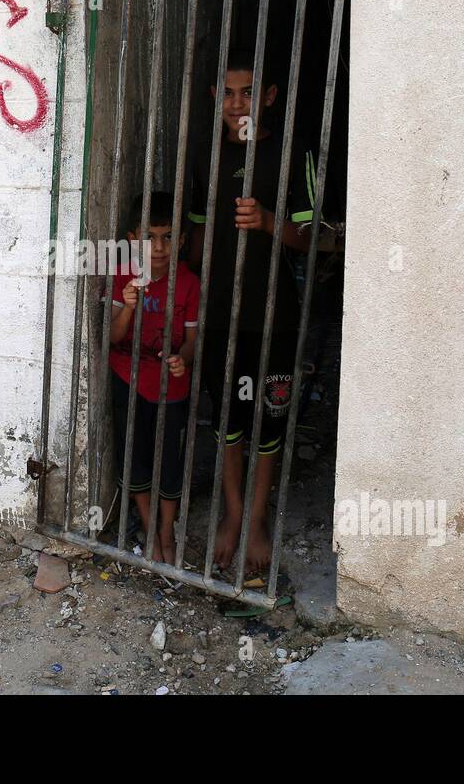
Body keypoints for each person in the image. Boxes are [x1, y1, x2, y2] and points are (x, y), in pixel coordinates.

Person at [189, 49, 315, 575]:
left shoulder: (292, 154)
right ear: (216, 98)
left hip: (274, 314)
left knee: (269, 419)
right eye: (228, 92)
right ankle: (234, 513)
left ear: (268, 97)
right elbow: (192, 237)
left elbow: (318, 239)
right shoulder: (204, 156)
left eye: (248, 92)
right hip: (220, 311)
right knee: (229, 419)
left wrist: (268, 223)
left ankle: (258, 518)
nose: (237, 103)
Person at [108, 191, 200, 563]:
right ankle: (148, 529)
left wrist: (182, 359)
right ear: (133, 239)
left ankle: (166, 532)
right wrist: (129, 307)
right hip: (126, 378)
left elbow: (193, 340)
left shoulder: (189, 283)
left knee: (170, 461)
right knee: (135, 454)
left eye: (167, 237)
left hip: (171, 385)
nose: (159, 247)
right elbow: (113, 337)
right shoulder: (122, 274)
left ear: (180, 240)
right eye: (150, 237)